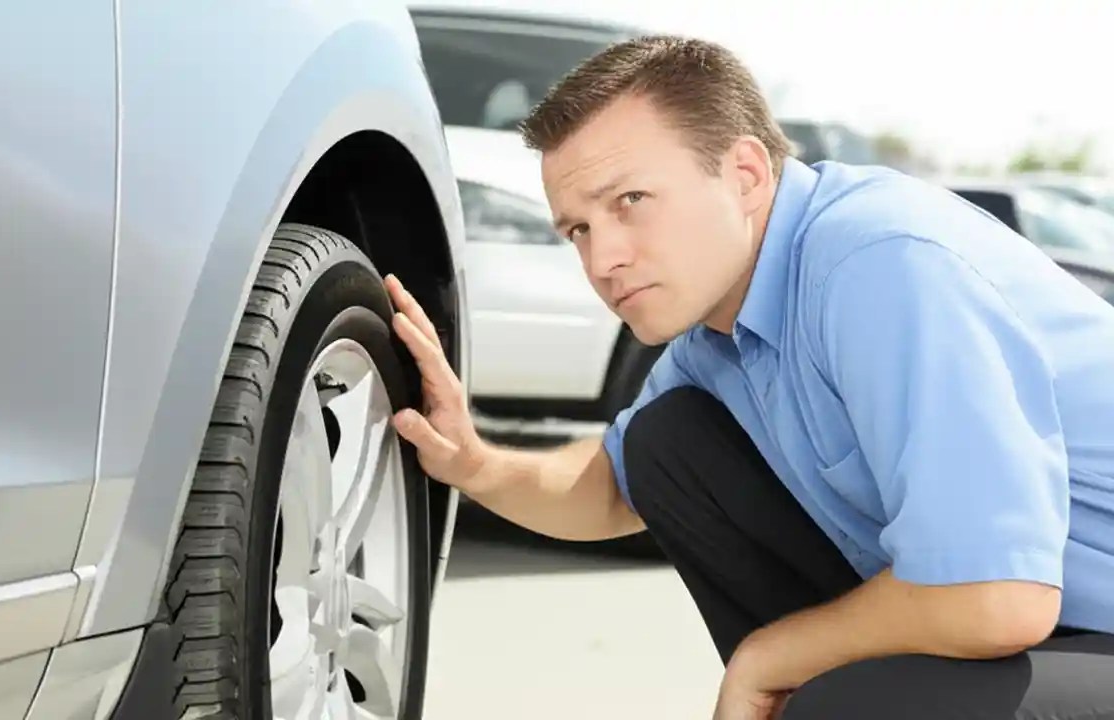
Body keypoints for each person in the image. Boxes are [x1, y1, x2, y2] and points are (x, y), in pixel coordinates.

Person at [384, 35, 1114, 719]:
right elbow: (608, 489)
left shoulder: (878, 264)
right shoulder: (723, 332)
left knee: (843, 704)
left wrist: (768, 658)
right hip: (1033, 625)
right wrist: (472, 462)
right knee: (666, 445)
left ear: (745, 175)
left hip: (1066, 623)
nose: (602, 258)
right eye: (578, 229)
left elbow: (993, 598)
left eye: (629, 202)